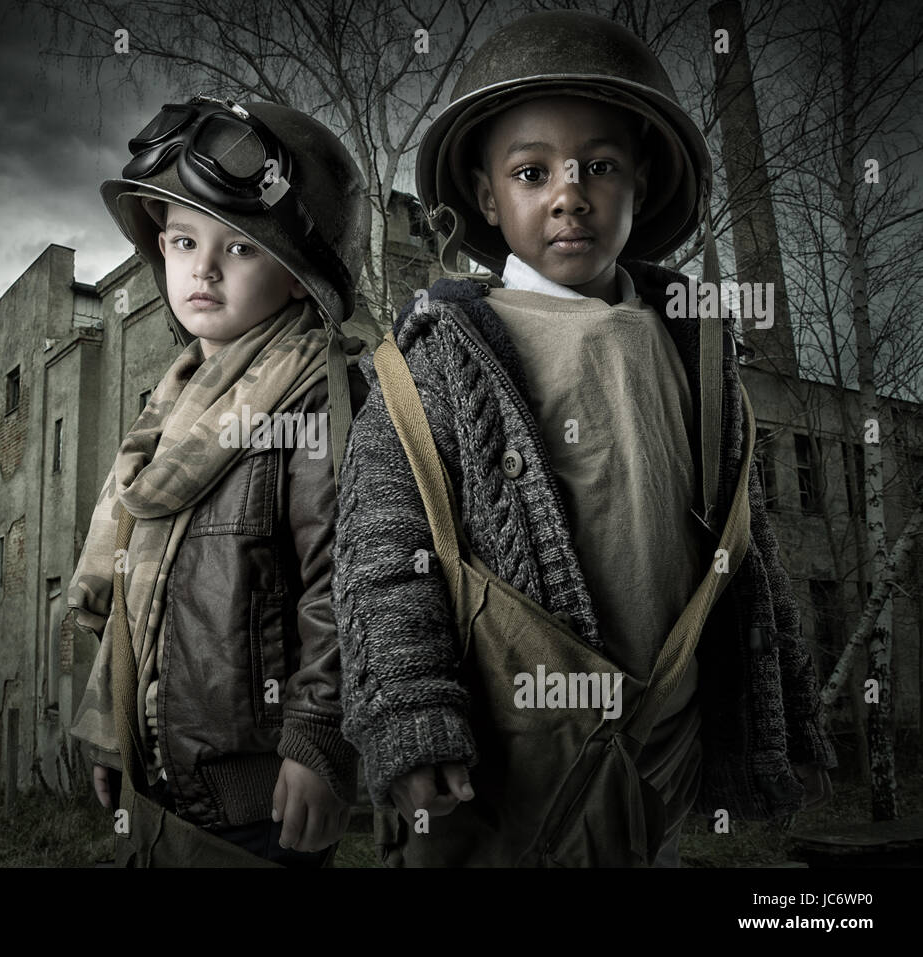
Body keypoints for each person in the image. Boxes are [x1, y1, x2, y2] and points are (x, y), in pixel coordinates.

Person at [332, 10, 836, 867]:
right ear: (489, 197)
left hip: (656, 755)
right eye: (532, 171)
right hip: (502, 770)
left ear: (640, 182)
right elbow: (385, 551)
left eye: (599, 166)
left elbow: (747, 551)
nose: (570, 192)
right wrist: (412, 716)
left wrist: (782, 717)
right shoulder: (437, 358)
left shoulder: (699, 349)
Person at [66, 96, 369, 867]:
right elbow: (140, 595)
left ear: (302, 279)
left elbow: (344, 582)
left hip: (262, 804)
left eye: (239, 249)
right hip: (162, 787)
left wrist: (317, 739)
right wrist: (113, 728)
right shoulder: (171, 411)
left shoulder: (317, 400)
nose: (200, 268)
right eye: (182, 241)